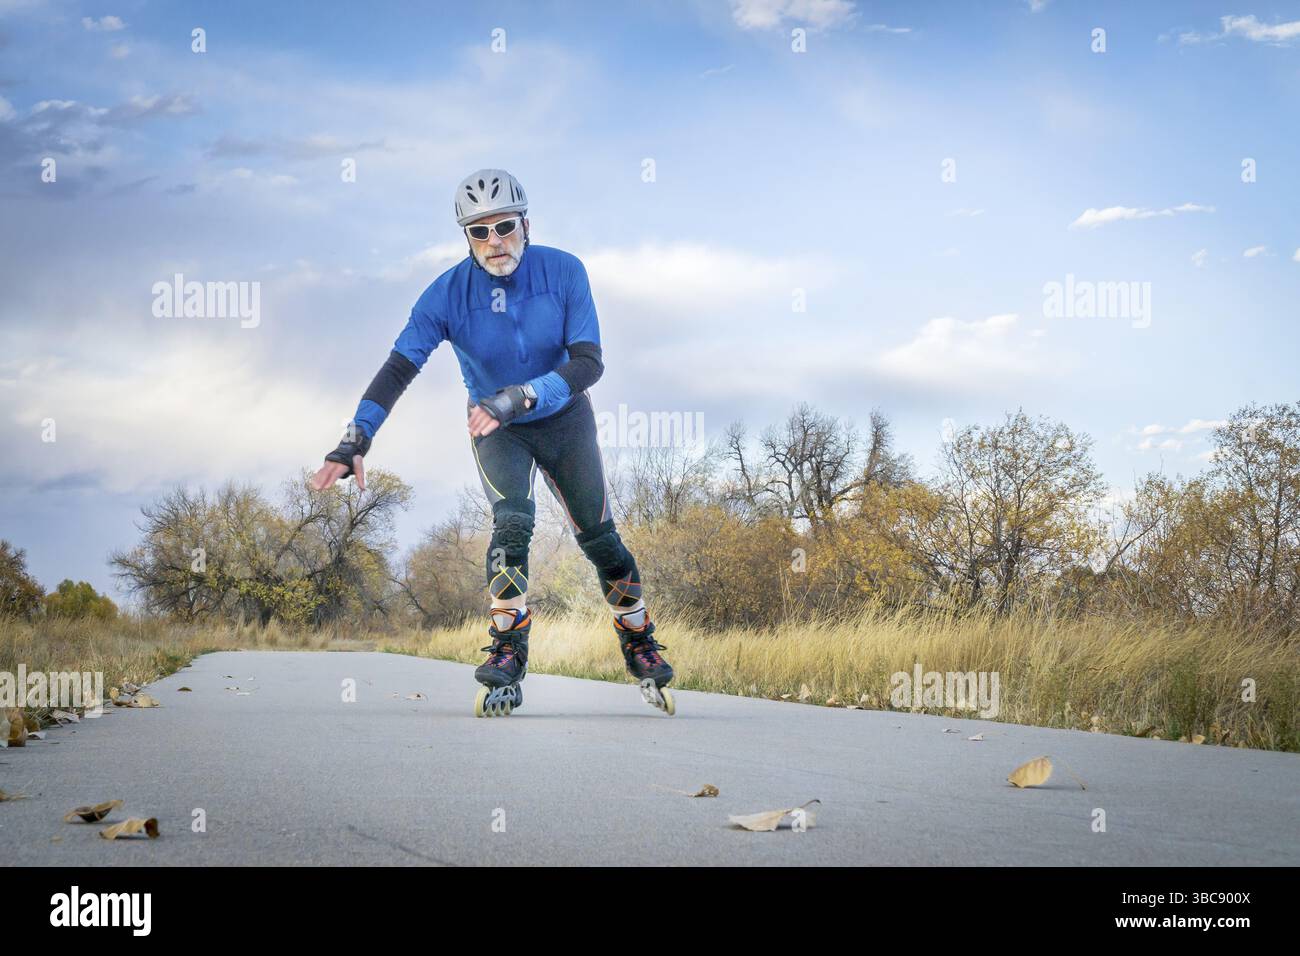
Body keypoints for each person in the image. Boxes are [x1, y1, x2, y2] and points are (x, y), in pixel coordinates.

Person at [309, 168, 674, 716]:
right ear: (466, 237)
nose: (494, 242)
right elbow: (397, 368)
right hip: (494, 427)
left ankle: (639, 640)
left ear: (526, 224)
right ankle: (507, 650)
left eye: (504, 227)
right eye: (479, 232)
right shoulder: (445, 295)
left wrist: (524, 395)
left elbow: (588, 363)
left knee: (599, 539)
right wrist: (355, 437)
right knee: (512, 524)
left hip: (565, 418)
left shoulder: (565, 271)